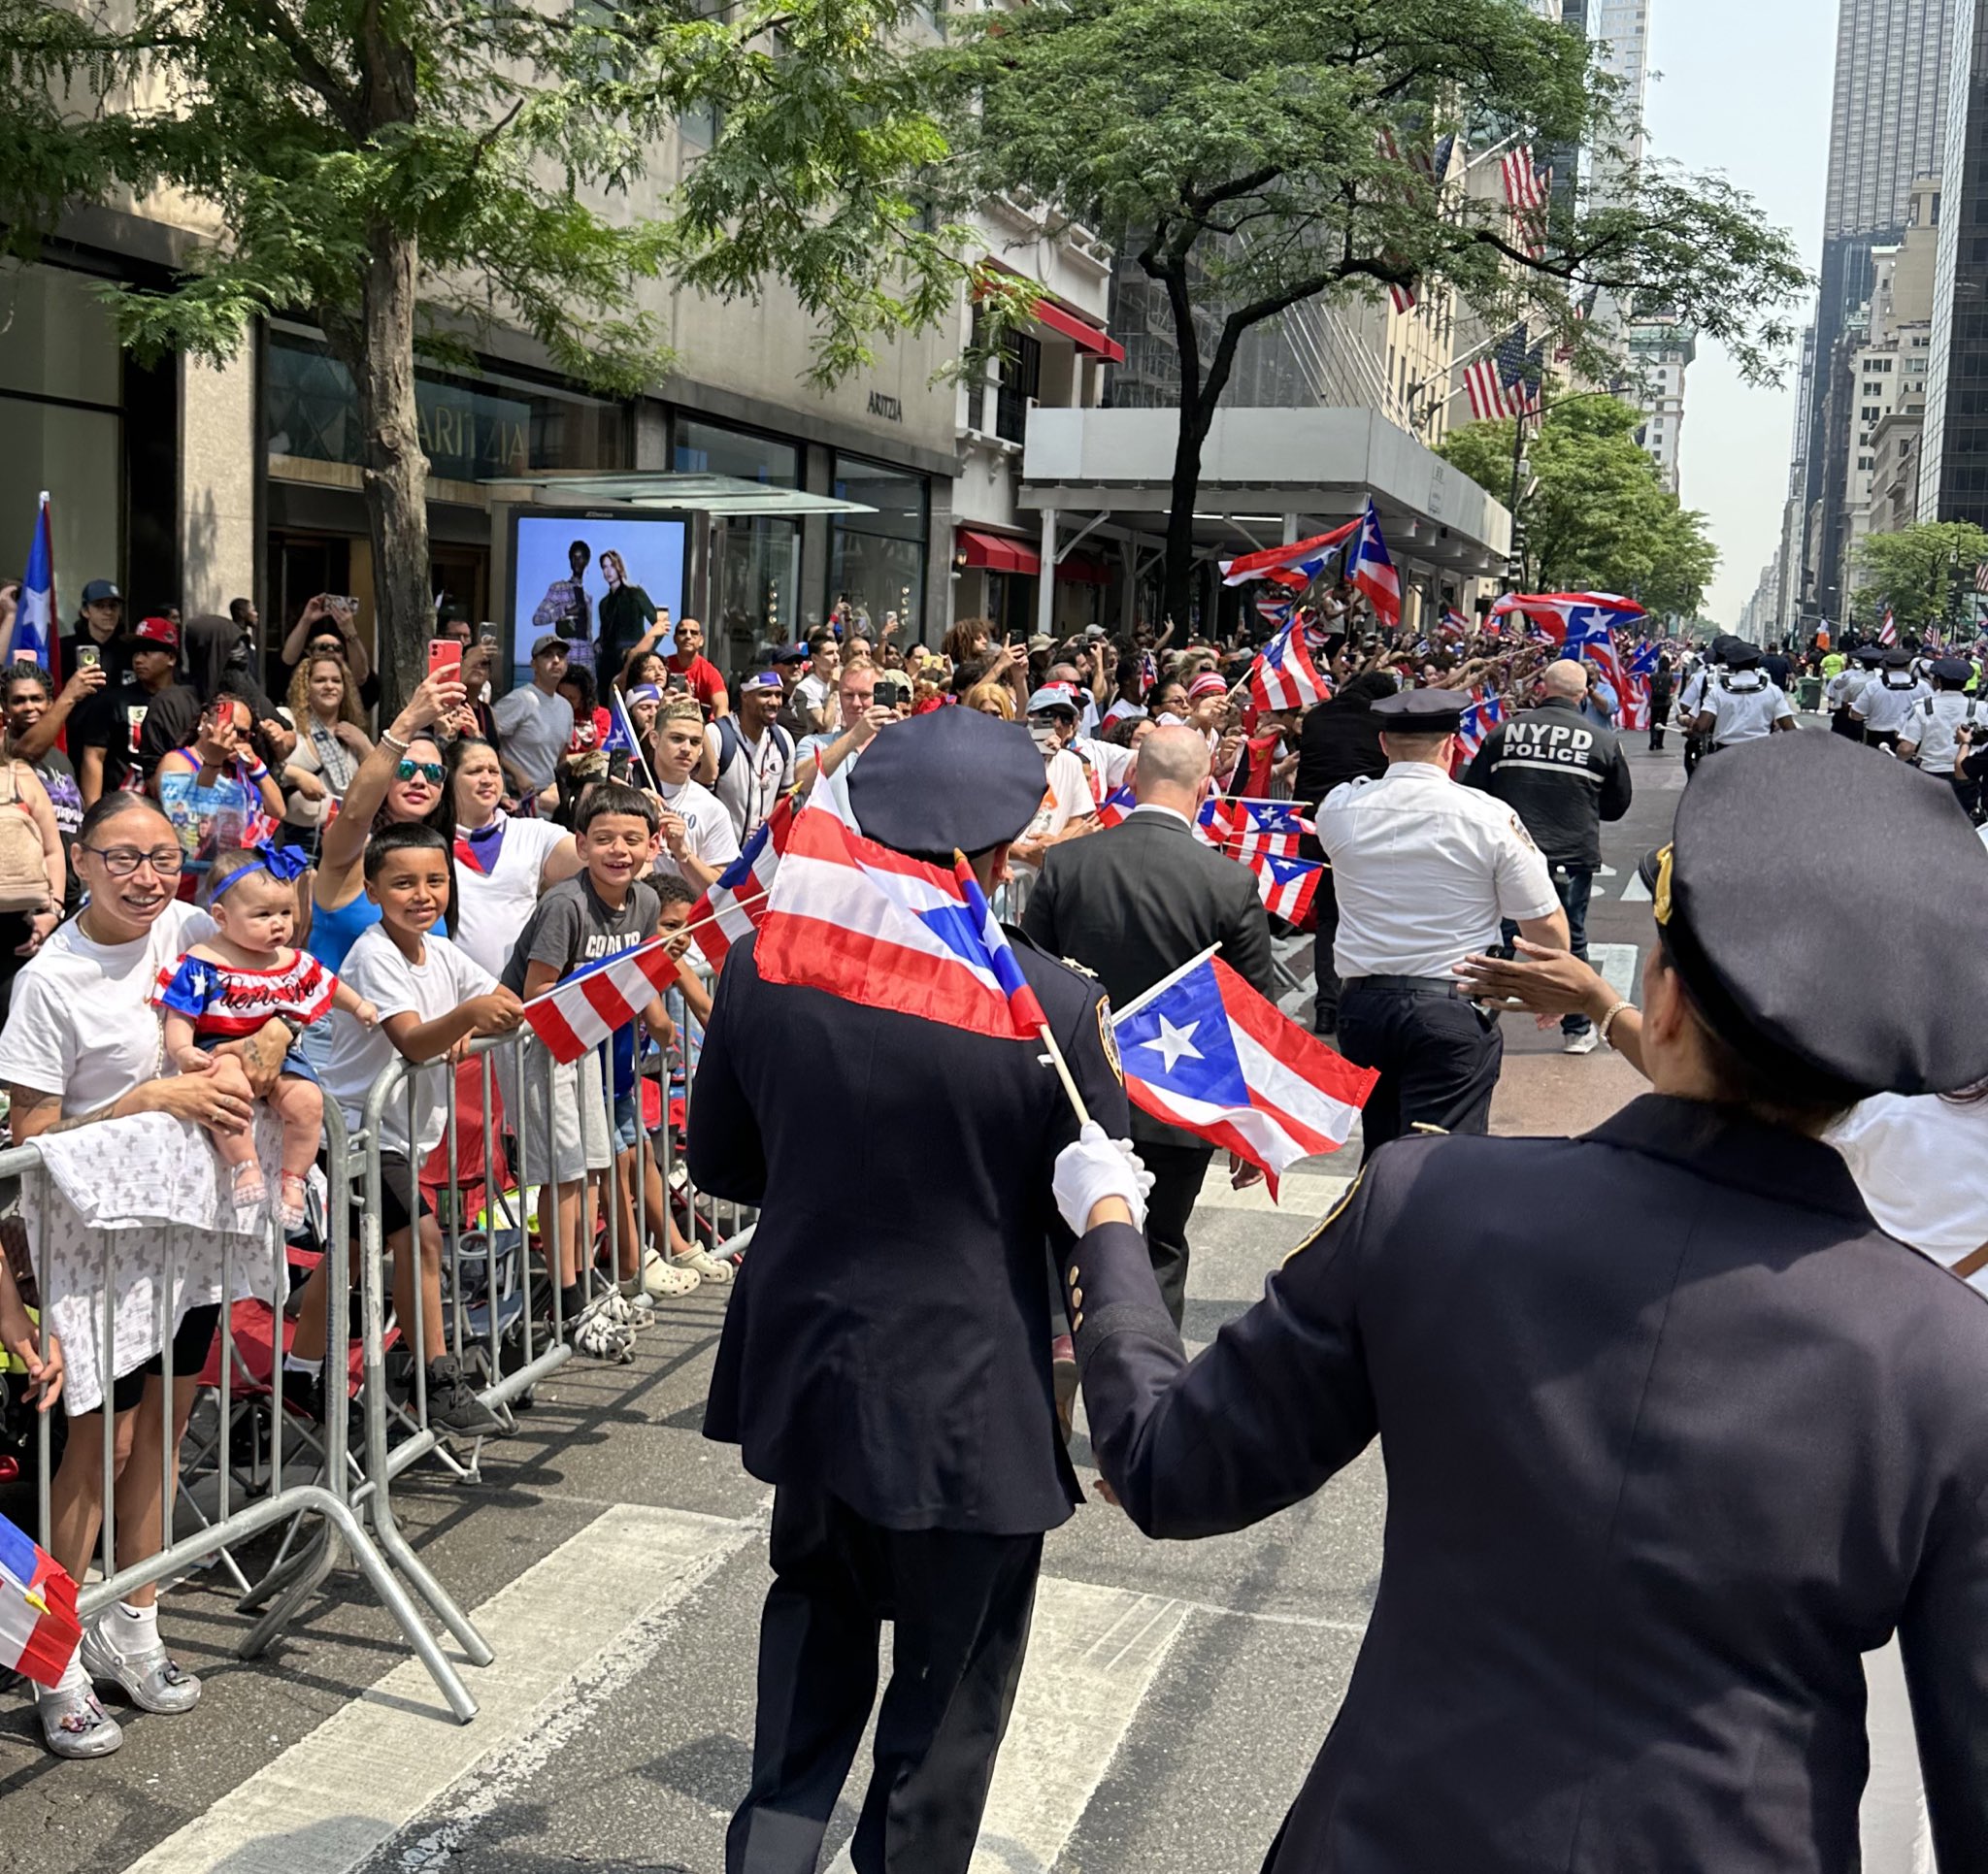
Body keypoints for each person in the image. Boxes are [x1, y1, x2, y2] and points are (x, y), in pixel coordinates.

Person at [1054, 727, 1988, 1874]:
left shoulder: (1428, 1201)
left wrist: (1109, 1221)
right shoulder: (1949, 1357)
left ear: (1662, 994)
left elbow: (1170, 1469)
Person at [689, 707, 1127, 1874]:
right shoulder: (1050, 1007)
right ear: (1005, 847)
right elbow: (1090, 1219)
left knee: (809, 1647)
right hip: (970, 1395)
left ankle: (769, 1860)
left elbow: (721, 1161)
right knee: (945, 1699)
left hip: (817, 1365)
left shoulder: (766, 961)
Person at [0, 792, 292, 1758]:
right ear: (79, 861)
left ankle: (134, 1622)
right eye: (122, 857)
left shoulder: (198, 928)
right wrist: (148, 1098)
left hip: (190, 1234)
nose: (146, 876)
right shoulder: (49, 981)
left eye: (163, 855)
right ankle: (53, 1661)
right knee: (95, 1450)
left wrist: (269, 1041)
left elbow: (278, 991)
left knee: (164, 1433)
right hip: (98, 1251)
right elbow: (33, 1136)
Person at [1021, 725, 1273, 1326]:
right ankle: (1148, 1372)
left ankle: (1065, 1347)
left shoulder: (1068, 863)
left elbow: (1030, 981)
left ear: (1131, 779)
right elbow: (1251, 1018)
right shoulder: (1229, 882)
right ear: (1205, 787)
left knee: (1066, 1240)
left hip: (1075, 1098)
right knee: (1158, 1250)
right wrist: (1252, 1128)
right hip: (1177, 1107)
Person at [297, 823, 519, 1436]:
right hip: (356, 1132)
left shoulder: (440, 951)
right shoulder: (374, 955)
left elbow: (502, 1003)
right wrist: (464, 1017)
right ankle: (436, 1382)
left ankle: (299, 1370)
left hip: (400, 1131)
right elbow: (415, 1041)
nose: (422, 894)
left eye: (435, 881)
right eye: (403, 883)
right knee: (421, 1239)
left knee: (346, 1256)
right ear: (372, 891)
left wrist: (470, 1019)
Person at [1315, 688, 1568, 1152]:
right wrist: (1554, 984)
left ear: (1383, 743)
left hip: (1364, 1009)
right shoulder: (1487, 816)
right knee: (1442, 1162)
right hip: (1449, 1006)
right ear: (1452, 746)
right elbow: (1545, 922)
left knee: (1381, 1153)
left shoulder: (1339, 808)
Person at [498, 782, 673, 1355]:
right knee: (563, 1173)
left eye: (632, 839)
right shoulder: (564, 905)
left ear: (652, 846)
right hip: (540, 1042)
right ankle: (567, 1295)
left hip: (588, 1040)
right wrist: (599, 995)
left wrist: (658, 1019)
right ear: (581, 844)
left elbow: (640, 969)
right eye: (603, 839)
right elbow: (537, 991)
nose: (618, 850)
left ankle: (588, 1282)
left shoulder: (645, 902)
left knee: (595, 1166)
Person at [155, 844, 378, 1226]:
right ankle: (245, 1165)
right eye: (263, 914)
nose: (279, 924)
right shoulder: (203, 961)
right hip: (219, 1049)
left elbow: (328, 985)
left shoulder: (291, 960)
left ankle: (294, 1178)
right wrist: (182, 1050)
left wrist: (358, 1005)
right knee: (228, 1093)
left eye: (286, 913)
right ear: (222, 917)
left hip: (282, 1051)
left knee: (309, 1101)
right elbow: (181, 1013)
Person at [1462, 658, 1632, 1054]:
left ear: (1543, 688)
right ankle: (1576, 1028)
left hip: (1510, 852)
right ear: (1582, 694)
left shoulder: (1503, 733)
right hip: (1570, 854)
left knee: (1500, 939)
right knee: (1569, 940)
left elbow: (1475, 792)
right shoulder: (1603, 741)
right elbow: (1616, 805)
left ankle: (1474, 1024)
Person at [1294, 672, 1396, 1036]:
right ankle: (1365, 1004)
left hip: (1315, 827)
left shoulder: (1316, 717)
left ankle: (1327, 1006)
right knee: (1374, 915)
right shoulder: (1383, 721)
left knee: (1329, 918)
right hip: (1365, 826)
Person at [149, 693, 288, 899]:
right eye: (227, 728)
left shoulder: (239, 767)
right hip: (191, 886)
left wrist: (257, 767)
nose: (232, 737)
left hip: (235, 880)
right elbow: (188, 821)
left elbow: (278, 811)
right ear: (204, 722)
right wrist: (213, 762)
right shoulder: (177, 761)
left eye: (242, 733)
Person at [0, 663, 87, 912]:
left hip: (71, 888)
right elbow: (28, 750)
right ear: (5, 708)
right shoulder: (7, 754)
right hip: (28, 894)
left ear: (49, 703)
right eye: (19, 700)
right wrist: (69, 696)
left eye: (36, 699)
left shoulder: (60, 758)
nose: (29, 707)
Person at [79, 613, 182, 805]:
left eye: (147, 652)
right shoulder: (112, 701)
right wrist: (93, 812)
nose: (138, 659)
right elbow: (94, 755)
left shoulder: (187, 703)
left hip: (174, 808)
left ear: (171, 658)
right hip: (122, 806)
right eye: (136, 652)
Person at [281, 651, 373, 850]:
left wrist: (364, 744)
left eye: (336, 681)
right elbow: (261, 765)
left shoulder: (353, 734)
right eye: (320, 680)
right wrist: (297, 775)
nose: (329, 686)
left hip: (345, 838)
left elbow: (378, 783)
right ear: (306, 686)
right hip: (297, 839)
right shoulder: (288, 721)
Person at [649, 695, 741, 891]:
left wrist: (683, 853)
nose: (686, 749)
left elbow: (721, 889)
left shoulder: (713, 809)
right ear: (654, 739)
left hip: (683, 909)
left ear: (701, 750)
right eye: (677, 738)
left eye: (695, 742)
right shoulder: (629, 785)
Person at [702, 671, 794, 844]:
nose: (774, 702)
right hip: (721, 851)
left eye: (778, 695)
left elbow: (785, 795)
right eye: (765, 694)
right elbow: (701, 797)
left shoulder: (784, 739)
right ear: (745, 696)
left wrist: (774, 822)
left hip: (762, 853)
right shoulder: (717, 735)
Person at [493, 634, 576, 814]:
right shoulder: (520, 699)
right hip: (517, 802)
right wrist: (515, 772)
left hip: (549, 802)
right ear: (534, 664)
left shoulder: (566, 707)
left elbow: (561, 759)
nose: (556, 660)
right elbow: (483, 741)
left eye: (561, 656)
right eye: (547, 655)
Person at [1898, 655, 1987, 814]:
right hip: (1968, 776)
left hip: (1930, 775)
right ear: (1966, 683)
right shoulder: (1981, 709)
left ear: (1937, 681)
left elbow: (1906, 748)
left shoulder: (1922, 707)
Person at [1689, 637, 1797, 752]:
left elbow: (1701, 726)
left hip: (1725, 754)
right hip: (1760, 753)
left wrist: (1692, 731)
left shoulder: (1718, 690)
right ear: (1756, 663)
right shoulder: (1773, 691)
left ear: (1731, 664)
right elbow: (1789, 728)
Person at [278, 596, 380, 713]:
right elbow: (287, 660)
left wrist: (349, 631)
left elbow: (362, 677)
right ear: (309, 652)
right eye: (323, 647)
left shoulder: (349, 682)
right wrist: (306, 620)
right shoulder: (301, 676)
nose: (330, 651)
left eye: (337, 649)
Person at [595, 548, 661, 678]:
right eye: (604, 567)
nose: (608, 571)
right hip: (607, 665)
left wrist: (644, 651)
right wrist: (598, 643)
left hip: (632, 661)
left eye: (612, 566)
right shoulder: (603, 603)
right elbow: (605, 634)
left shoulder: (635, 594)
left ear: (619, 567)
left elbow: (660, 625)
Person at [1849, 646, 1928, 752]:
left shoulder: (1873, 686)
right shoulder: (1923, 687)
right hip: (1910, 740)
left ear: (1885, 664)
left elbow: (1856, 715)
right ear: (1908, 665)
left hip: (1877, 738)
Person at [531, 538, 594, 646]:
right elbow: (538, 618)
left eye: (580, 558)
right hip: (565, 652)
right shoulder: (559, 588)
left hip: (585, 654)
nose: (576, 561)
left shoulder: (587, 598)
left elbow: (588, 634)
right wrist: (566, 611)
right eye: (574, 557)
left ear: (586, 561)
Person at [664, 616, 729, 718]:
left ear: (701, 641)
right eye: (682, 632)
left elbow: (721, 707)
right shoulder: (663, 667)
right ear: (674, 639)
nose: (688, 636)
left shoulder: (709, 672)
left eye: (694, 633)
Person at [1645, 652, 1674, 752]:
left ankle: (1653, 739)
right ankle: (1660, 742)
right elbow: (1673, 685)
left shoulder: (1652, 676)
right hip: (1665, 702)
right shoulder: (1669, 676)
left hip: (1654, 701)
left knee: (1653, 721)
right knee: (1663, 721)